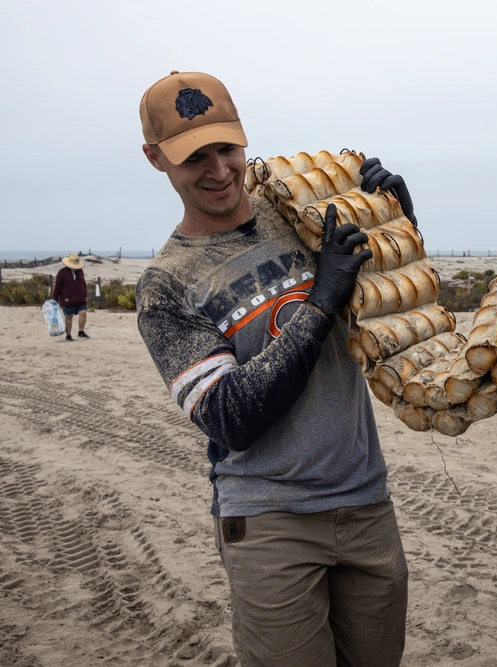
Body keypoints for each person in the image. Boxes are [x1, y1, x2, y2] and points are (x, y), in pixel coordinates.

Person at [135, 70, 411, 667]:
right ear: (156, 159)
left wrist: (395, 221)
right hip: (269, 521)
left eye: (227, 149)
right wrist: (318, 304)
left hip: (366, 501)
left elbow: (390, 305)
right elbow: (232, 415)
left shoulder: (297, 210)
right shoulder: (166, 286)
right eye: (194, 158)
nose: (218, 171)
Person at [53, 253, 89, 341]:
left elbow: (83, 283)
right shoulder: (62, 273)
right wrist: (55, 299)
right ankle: (68, 335)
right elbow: (57, 287)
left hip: (80, 297)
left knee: (83, 313)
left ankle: (81, 331)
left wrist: (85, 294)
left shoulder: (80, 271)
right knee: (69, 317)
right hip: (67, 299)